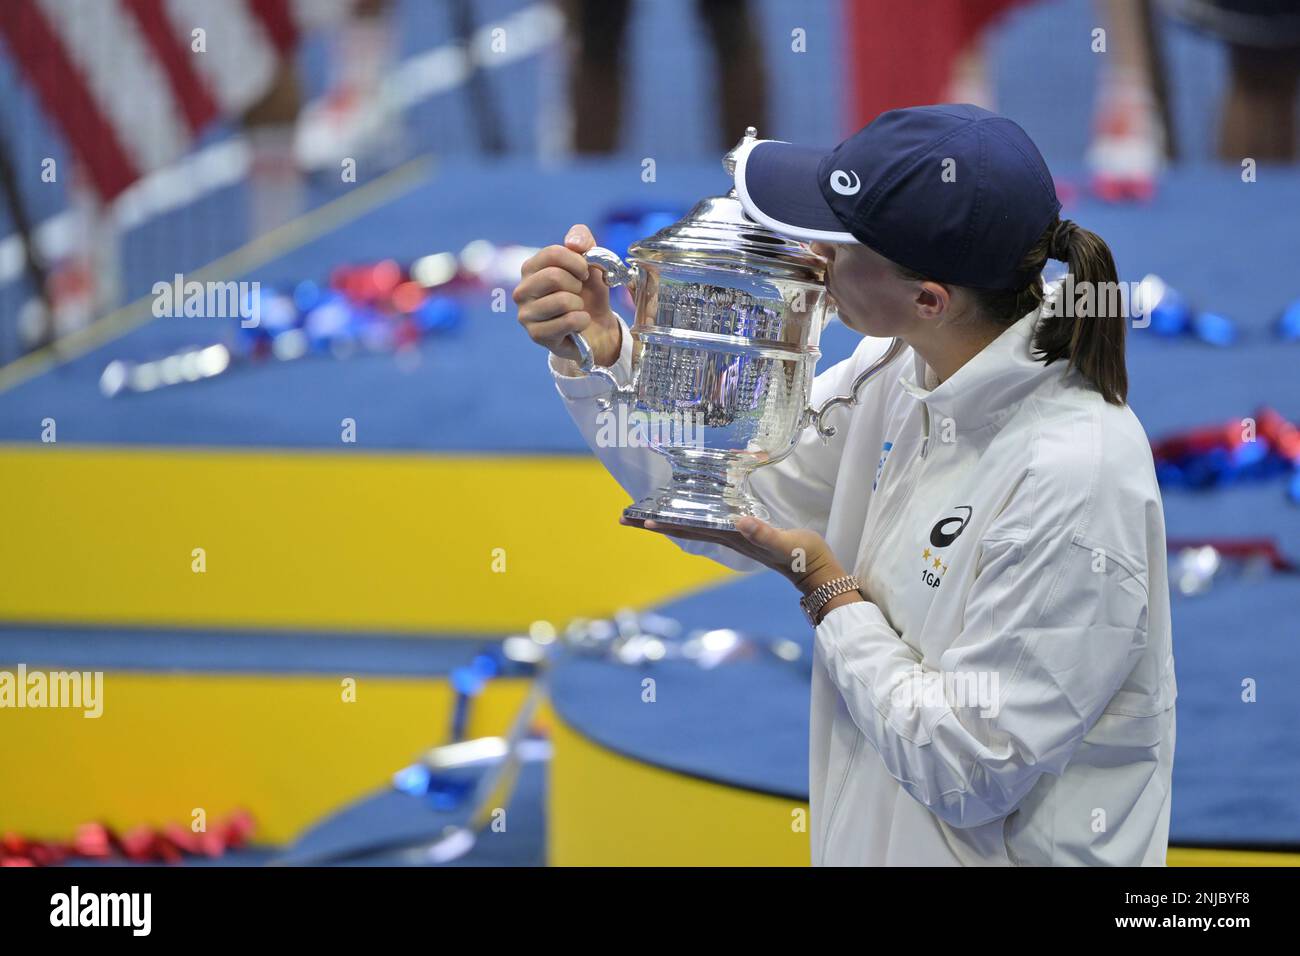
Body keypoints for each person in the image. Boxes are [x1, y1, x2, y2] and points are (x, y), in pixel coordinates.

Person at [513, 104, 1177, 866]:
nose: (812, 253)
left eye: (839, 239)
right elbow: (747, 489)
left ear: (929, 298)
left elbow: (970, 768)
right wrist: (609, 359)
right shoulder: (902, 364)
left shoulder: (1075, 477)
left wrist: (827, 589)